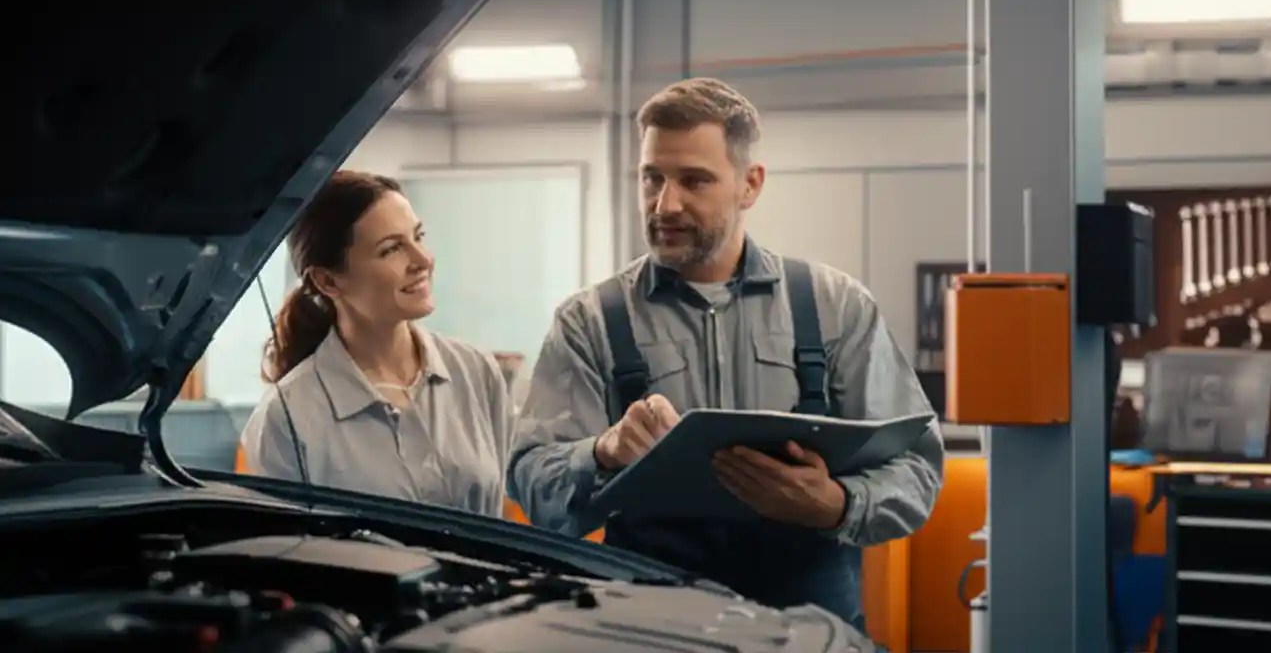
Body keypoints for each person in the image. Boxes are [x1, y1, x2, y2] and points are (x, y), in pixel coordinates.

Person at [506, 78, 944, 629]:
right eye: (652, 179)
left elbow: (916, 467)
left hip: (808, 629)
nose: (666, 204)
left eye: (694, 180)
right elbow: (528, 477)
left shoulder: (837, 308)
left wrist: (835, 503)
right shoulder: (589, 321)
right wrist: (603, 450)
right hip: (652, 631)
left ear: (749, 184)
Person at [240, 169, 514, 518]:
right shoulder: (287, 415)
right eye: (391, 249)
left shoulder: (475, 371)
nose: (423, 260)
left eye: (419, 236)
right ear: (327, 281)